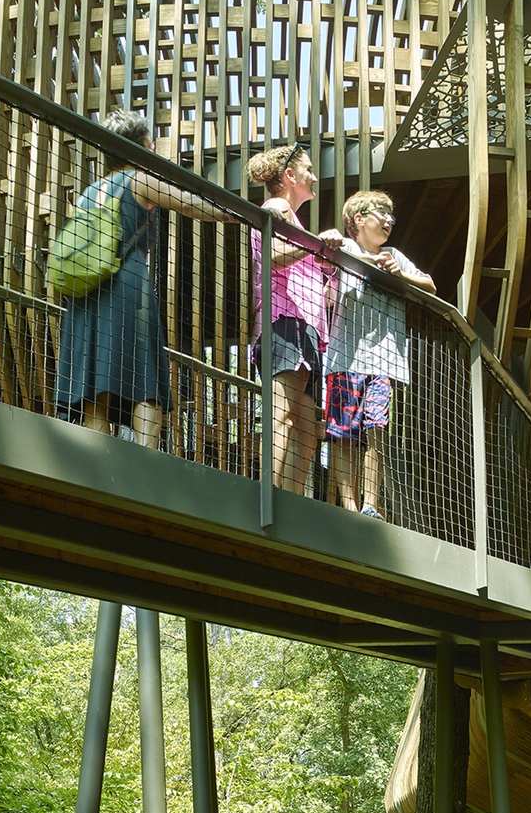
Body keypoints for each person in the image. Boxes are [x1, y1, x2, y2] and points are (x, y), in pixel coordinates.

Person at [53, 111, 224, 447]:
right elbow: (189, 204)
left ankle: (99, 465)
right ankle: (147, 460)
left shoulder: (90, 191)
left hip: (86, 288)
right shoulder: (139, 178)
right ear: (145, 146)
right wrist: (242, 213)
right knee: (145, 374)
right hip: (126, 281)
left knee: (96, 385)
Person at [324, 190, 434, 518]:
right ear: (359, 220)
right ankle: (349, 505)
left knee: (376, 428)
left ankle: (371, 504)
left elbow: (430, 284)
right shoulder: (344, 247)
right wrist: (330, 244)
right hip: (344, 358)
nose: (388, 221)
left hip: (384, 362)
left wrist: (401, 276)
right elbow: (324, 279)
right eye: (381, 213)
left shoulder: (394, 255)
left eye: (391, 216)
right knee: (342, 433)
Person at [247, 144, 340, 494]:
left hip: (306, 330)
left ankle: (289, 500)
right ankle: (267, 497)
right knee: (282, 415)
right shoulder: (277, 206)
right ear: (290, 176)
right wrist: (318, 246)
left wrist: (327, 262)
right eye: (309, 169)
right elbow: (274, 256)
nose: (314, 177)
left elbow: (315, 282)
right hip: (282, 322)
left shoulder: (294, 219)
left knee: (308, 429)